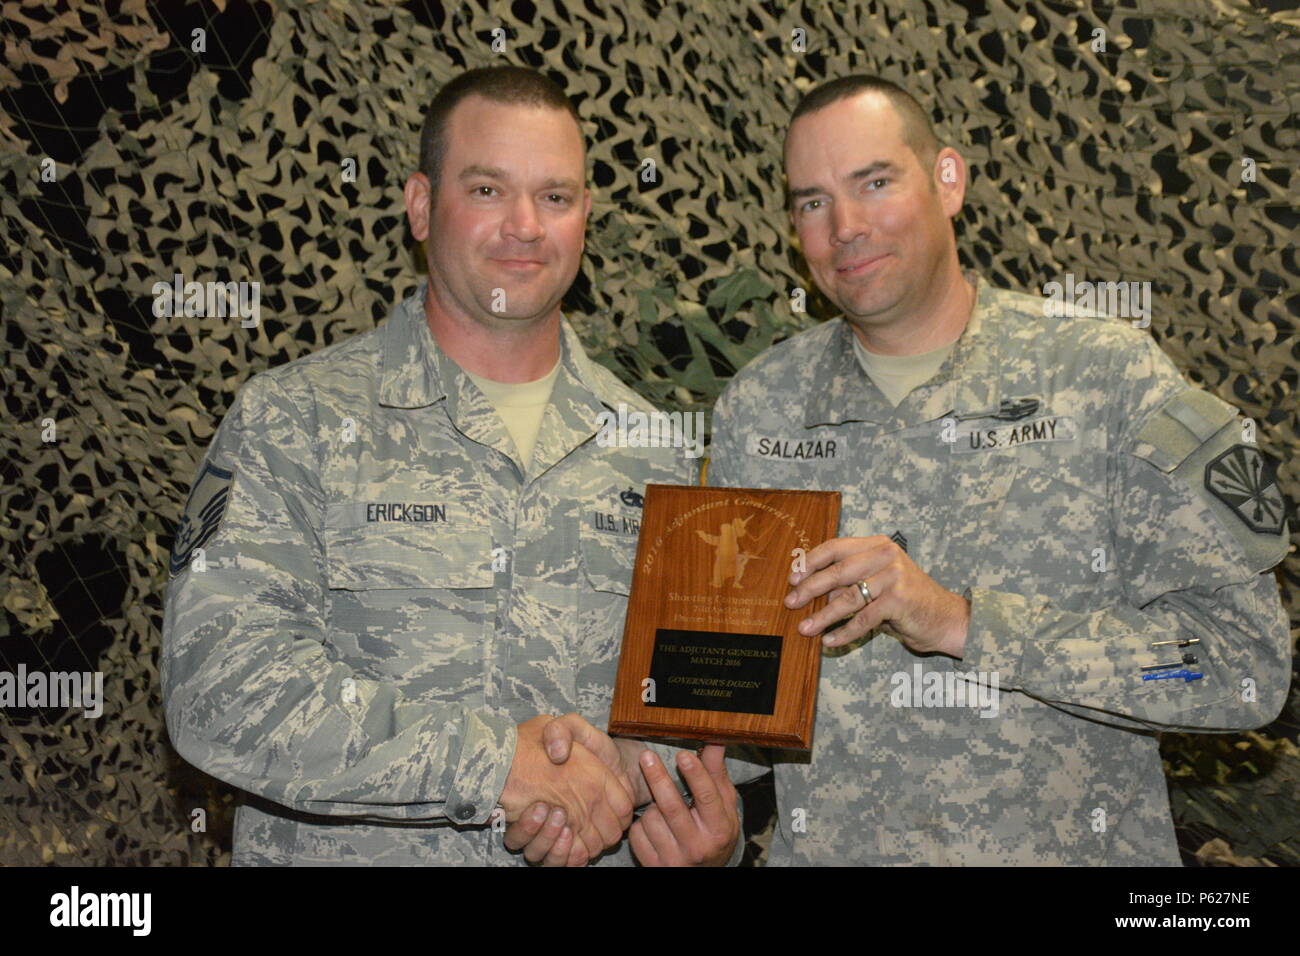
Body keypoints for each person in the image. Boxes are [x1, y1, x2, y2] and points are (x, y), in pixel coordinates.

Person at [702, 75, 1293, 865]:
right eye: (812, 202)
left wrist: (966, 624)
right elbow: (735, 703)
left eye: (874, 182)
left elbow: (1240, 666)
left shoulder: (1106, 376)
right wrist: (656, 783)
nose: (844, 226)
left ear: (948, 180)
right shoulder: (761, 409)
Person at [162, 65, 740, 866]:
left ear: (586, 218)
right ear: (422, 205)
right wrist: (493, 763)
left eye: (557, 197)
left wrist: (706, 835)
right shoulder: (295, 420)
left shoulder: (660, 456)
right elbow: (217, 687)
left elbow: (699, 728)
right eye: (488, 190)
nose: (526, 226)